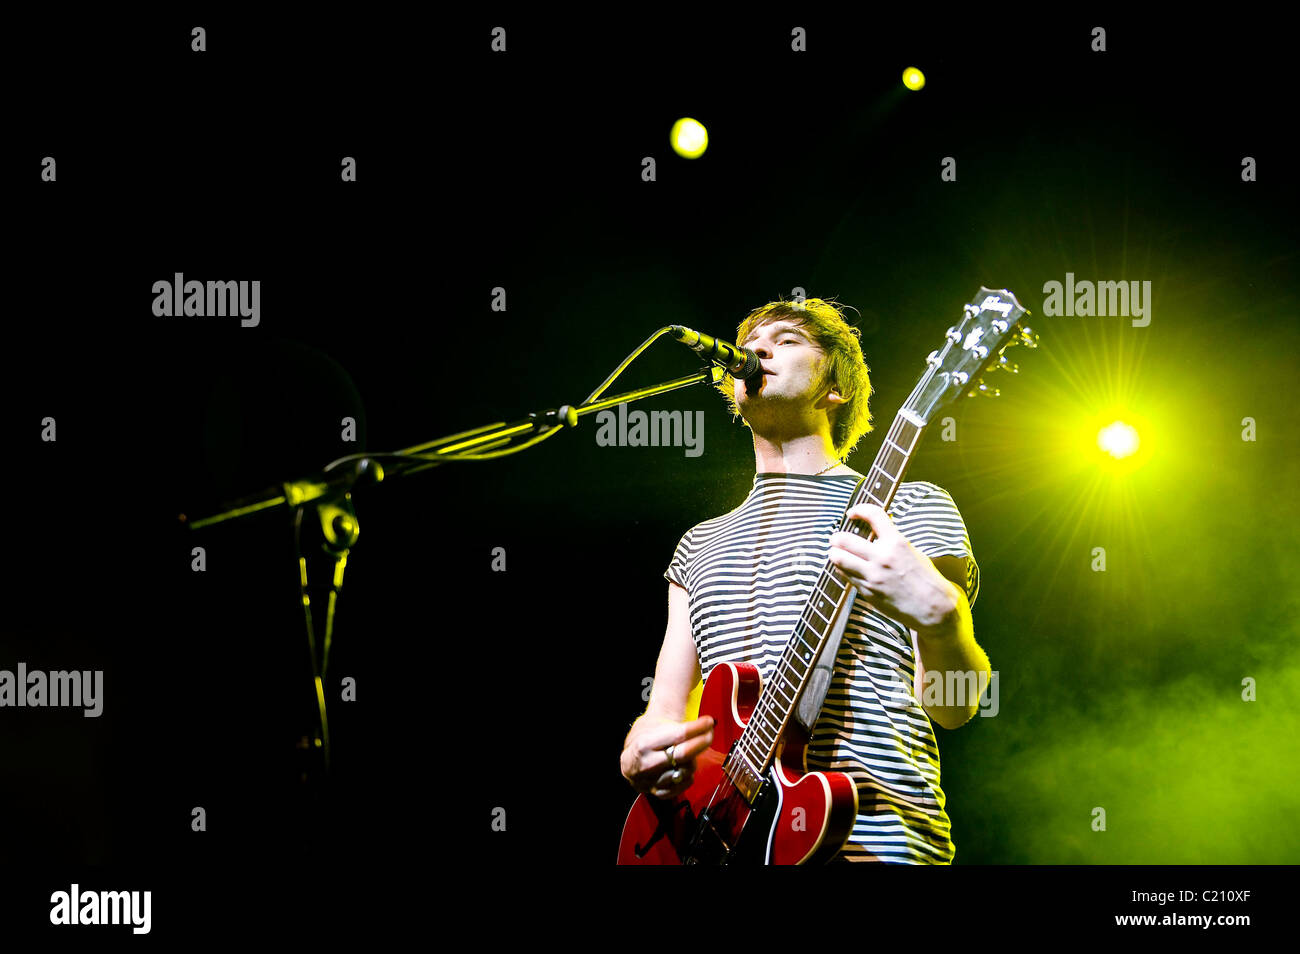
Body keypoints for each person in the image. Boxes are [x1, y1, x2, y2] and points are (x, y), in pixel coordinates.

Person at [618, 296, 991, 864]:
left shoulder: (908, 507)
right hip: (718, 840)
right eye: (751, 342)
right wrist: (643, 751)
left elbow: (955, 709)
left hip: (868, 841)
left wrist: (943, 618)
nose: (758, 349)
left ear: (834, 386)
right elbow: (667, 711)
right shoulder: (699, 544)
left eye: (786, 340)